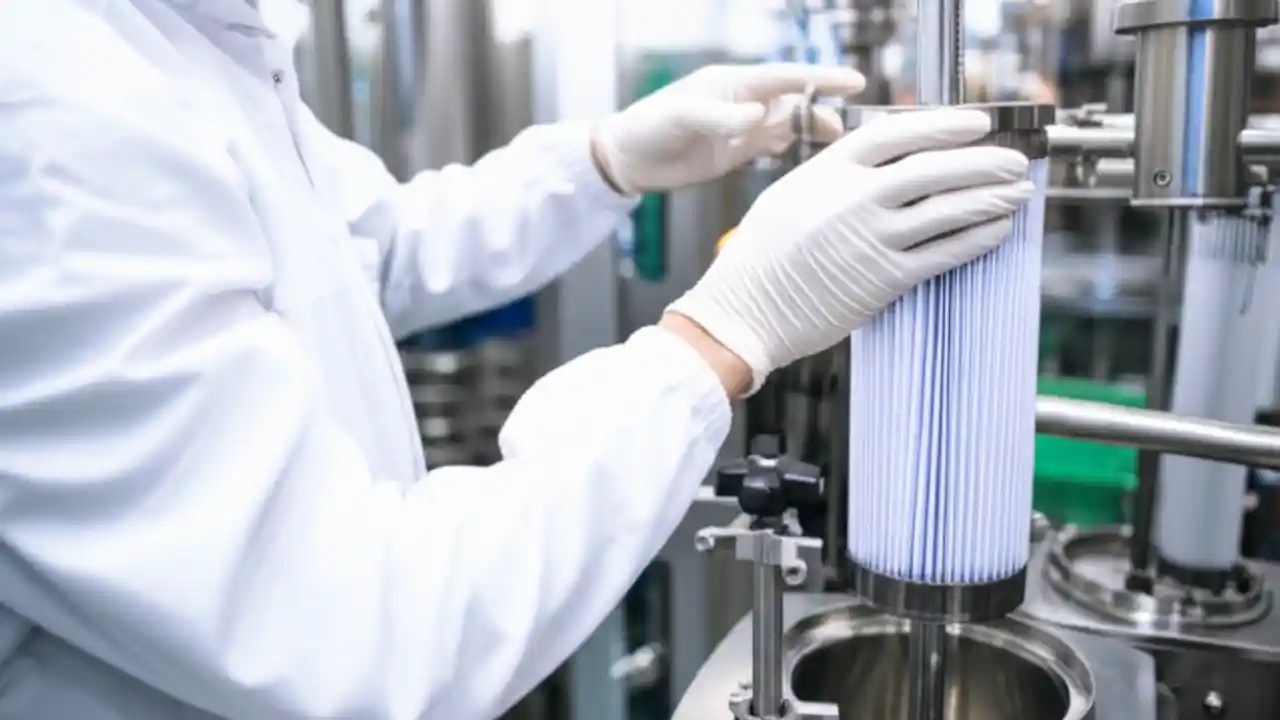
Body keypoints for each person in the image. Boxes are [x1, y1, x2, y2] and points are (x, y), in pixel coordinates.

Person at [0, 1, 1032, 718]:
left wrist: (603, 162)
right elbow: (365, 634)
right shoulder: (52, 105)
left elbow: (367, 247)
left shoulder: (192, 38)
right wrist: (724, 333)